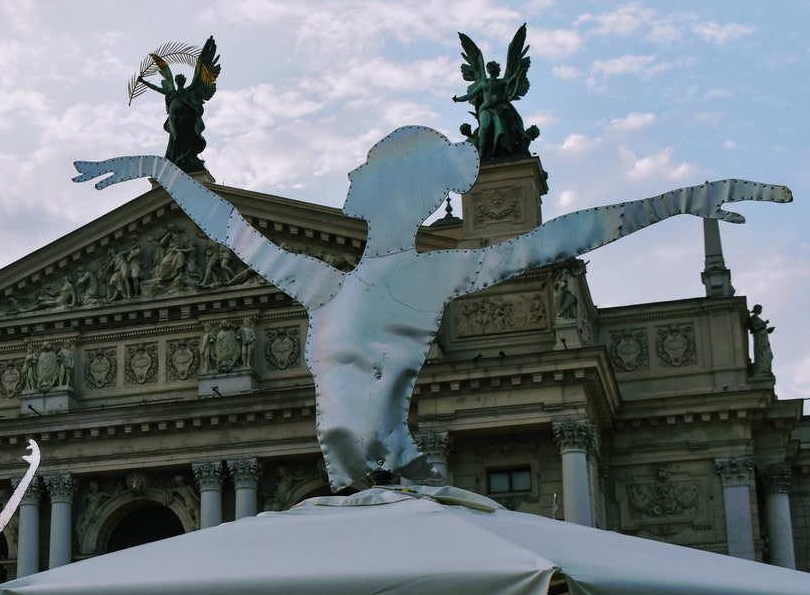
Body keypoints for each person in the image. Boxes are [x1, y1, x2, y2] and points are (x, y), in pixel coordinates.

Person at [74, 126, 791, 489]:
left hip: (394, 491)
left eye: (363, 173)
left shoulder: (412, 277)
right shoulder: (325, 279)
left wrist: (681, 202)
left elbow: (563, 236)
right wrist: (156, 170)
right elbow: (226, 227)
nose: (349, 179)